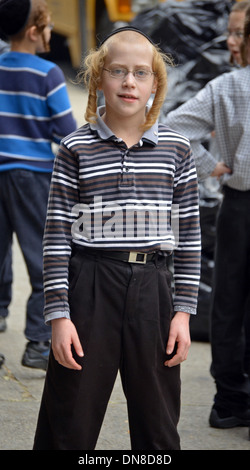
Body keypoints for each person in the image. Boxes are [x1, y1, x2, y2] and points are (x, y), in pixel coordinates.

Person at [33, 27, 201, 450]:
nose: (129, 82)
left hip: (154, 292)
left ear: (155, 84)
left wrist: (182, 312)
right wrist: (58, 316)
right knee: (69, 419)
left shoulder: (177, 149)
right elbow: (55, 238)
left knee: (157, 422)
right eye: (118, 71)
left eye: (141, 73)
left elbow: (191, 238)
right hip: (90, 287)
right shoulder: (75, 149)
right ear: (97, 79)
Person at [165, 5, 250, 430]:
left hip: (240, 206)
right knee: (232, 302)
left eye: (237, 33)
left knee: (229, 301)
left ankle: (231, 399)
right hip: (239, 206)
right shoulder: (229, 84)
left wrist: (209, 163)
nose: (229, 41)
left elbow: (172, 126)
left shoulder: (227, 87)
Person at [0, 0, 77, 369]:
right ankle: (38, 343)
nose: (50, 34)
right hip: (32, 177)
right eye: (48, 27)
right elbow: (66, 131)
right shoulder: (47, 73)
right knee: (42, 258)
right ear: (34, 32)